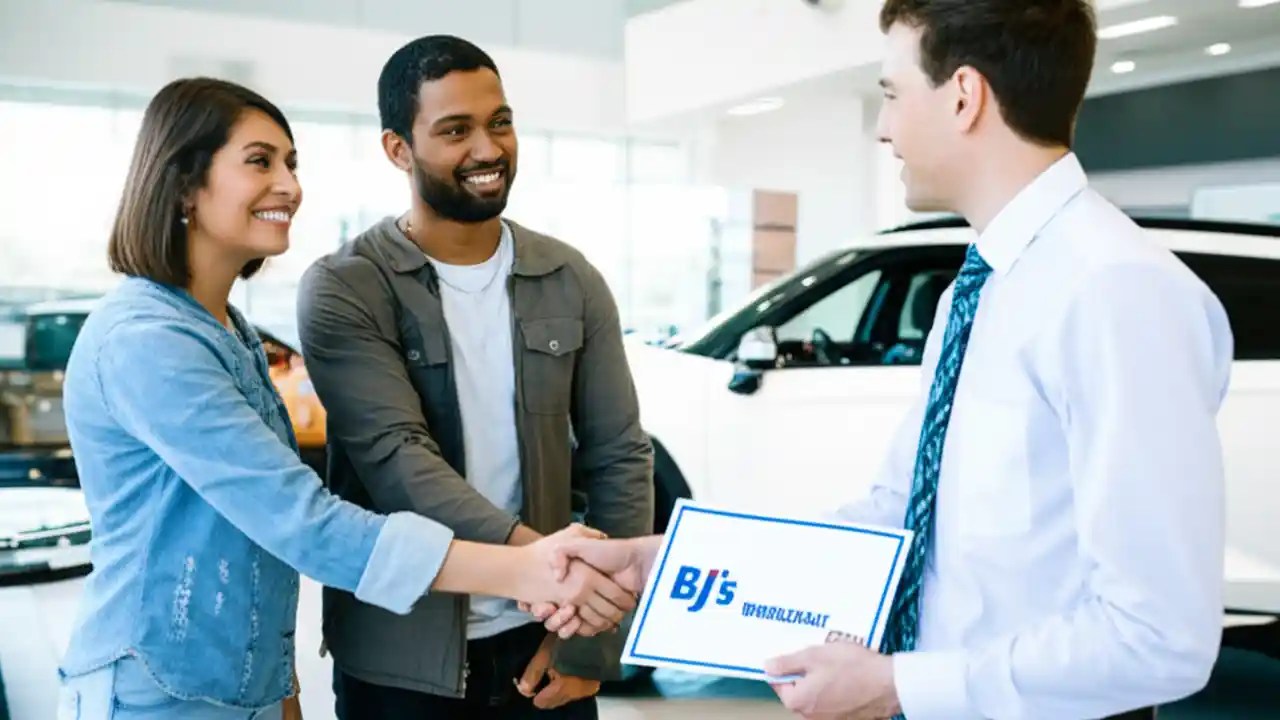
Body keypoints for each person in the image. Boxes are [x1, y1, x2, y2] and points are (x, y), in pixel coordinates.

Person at [538, 1, 1236, 718]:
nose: (882, 126)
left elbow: (1158, 636)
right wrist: (669, 565)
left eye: (893, 94)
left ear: (964, 95)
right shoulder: (986, 285)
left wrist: (898, 684)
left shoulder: (1115, 291)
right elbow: (900, 516)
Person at [56, 77, 636, 720]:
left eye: (290, 162)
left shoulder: (227, 331)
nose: (290, 186)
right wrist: (534, 567)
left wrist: (280, 687)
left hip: (240, 690)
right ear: (184, 184)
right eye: (259, 161)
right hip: (155, 692)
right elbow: (305, 522)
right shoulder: (148, 343)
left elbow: (253, 537)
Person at [296, 35, 653, 719]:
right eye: (455, 130)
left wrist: (590, 641)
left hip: (547, 646)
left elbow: (619, 454)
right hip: (399, 666)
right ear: (398, 149)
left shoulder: (570, 278)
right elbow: (399, 462)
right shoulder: (347, 288)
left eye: (500, 122)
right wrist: (549, 569)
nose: (488, 149)